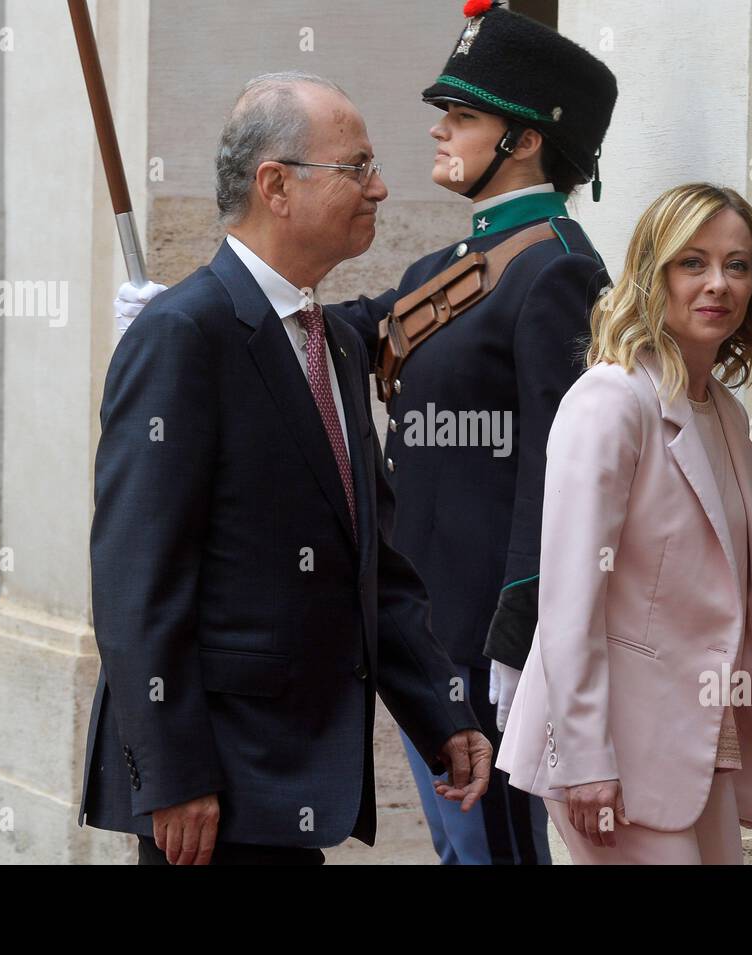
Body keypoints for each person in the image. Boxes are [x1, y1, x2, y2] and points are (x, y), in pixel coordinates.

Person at [115, 0, 616, 865]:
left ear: (524, 139)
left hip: (474, 635)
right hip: (407, 643)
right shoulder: (444, 271)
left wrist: (519, 632)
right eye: (360, 166)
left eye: (461, 116)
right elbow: (328, 335)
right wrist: (178, 320)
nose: (434, 138)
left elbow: (558, 475)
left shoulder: (557, 268)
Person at [78, 71, 491, 866]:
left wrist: (443, 708)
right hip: (212, 794)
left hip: (295, 784)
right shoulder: (182, 336)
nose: (380, 188)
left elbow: (373, 567)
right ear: (276, 185)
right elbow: (137, 580)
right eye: (358, 167)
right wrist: (173, 773)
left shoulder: (327, 340)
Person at [496, 182, 752, 864]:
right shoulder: (611, 401)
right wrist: (587, 758)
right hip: (610, 750)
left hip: (696, 740)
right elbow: (568, 599)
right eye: (693, 263)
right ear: (654, 274)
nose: (718, 284)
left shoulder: (726, 414)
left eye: (737, 265)